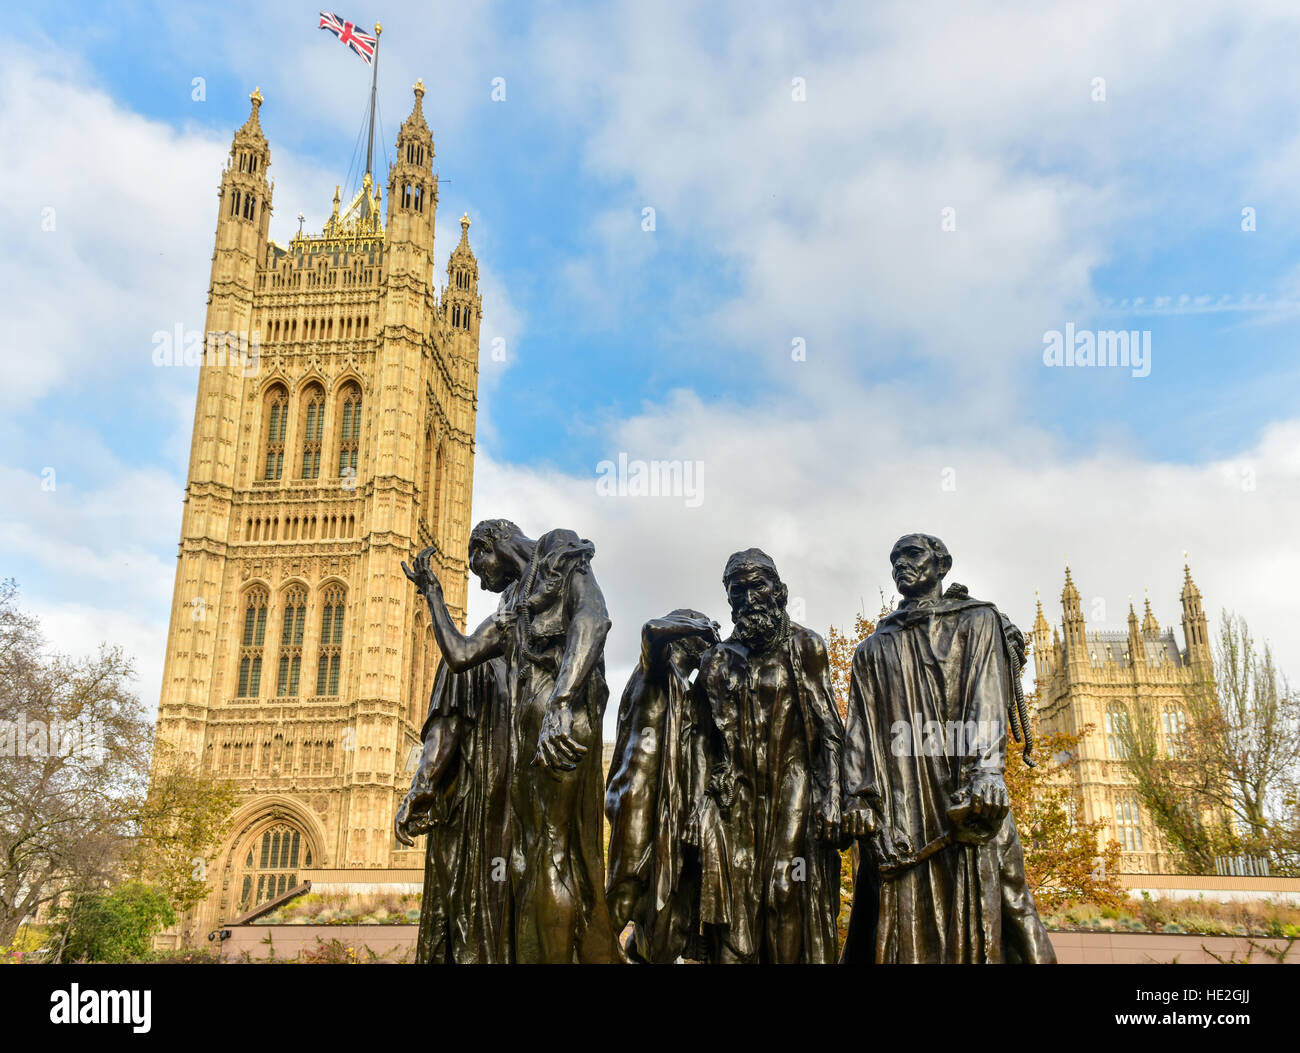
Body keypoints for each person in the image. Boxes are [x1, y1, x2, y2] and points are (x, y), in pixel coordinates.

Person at [397, 519, 620, 963]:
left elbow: (594, 620)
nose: (479, 580)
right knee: (526, 856)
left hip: (560, 720)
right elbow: (461, 655)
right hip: (529, 735)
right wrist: (433, 594)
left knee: (555, 851)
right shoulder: (512, 602)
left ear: (489, 544)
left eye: (475, 564)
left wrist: (561, 701)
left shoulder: (557, 549)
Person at [840, 533, 1055, 963]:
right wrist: (858, 800)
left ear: (943, 565)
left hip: (968, 789)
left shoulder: (977, 621)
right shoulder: (872, 649)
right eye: (895, 558)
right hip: (903, 801)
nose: (902, 564)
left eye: (913, 555)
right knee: (888, 914)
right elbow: (859, 731)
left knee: (1006, 895)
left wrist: (988, 769)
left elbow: (987, 695)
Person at [690, 548, 843, 964]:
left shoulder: (805, 646)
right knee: (733, 914)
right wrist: (698, 803)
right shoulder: (716, 660)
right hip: (734, 801)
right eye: (737, 591)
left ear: (780, 591)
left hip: (792, 788)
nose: (749, 598)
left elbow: (829, 728)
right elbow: (699, 739)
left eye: (758, 586)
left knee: (783, 888)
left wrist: (832, 797)